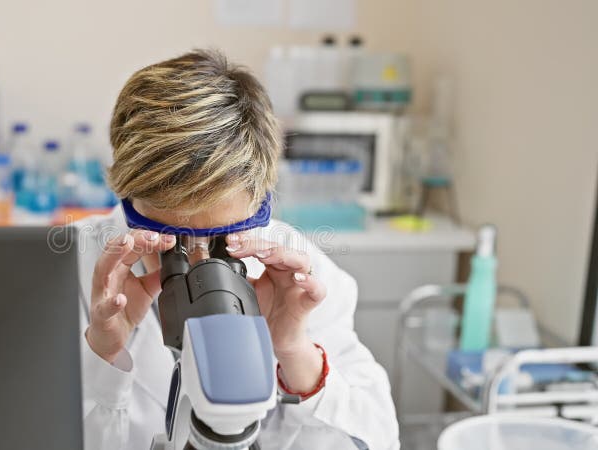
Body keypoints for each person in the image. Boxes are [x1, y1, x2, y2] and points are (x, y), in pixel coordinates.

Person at [75, 49, 399, 450]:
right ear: (126, 193)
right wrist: (101, 359)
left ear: (259, 201)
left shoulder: (298, 274)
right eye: (168, 240)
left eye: (222, 240)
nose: (197, 260)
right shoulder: (65, 268)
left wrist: (296, 355)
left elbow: (373, 439)